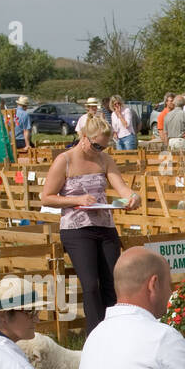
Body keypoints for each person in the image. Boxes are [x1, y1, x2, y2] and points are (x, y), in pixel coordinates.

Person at [39, 115, 141, 335]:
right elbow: (46, 197)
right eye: (96, 145)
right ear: (83, 138)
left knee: (113, 283)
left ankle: (117, 333)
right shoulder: (64, 160)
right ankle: (95, 336)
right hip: (77, 229)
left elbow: (122, 189)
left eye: (103, 146)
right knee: (91, 285)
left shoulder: (104, 160)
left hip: (104, 225)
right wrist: (76, 200)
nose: (98, 150)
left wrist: (133, 197)